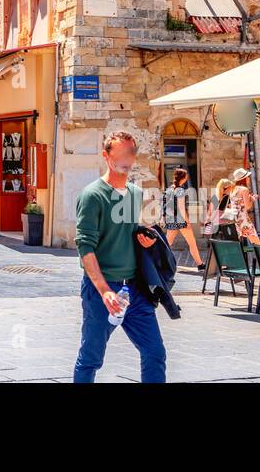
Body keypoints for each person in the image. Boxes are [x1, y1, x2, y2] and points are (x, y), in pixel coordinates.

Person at [73, 130, 165, 384]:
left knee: (155, 353)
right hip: (103, 291)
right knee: (91, 359)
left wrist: (143, 238)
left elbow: (126, 230)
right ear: (106, 155)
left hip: (134, 290)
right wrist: (104, 290)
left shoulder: (135, 193)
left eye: (132, 152)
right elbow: (85, 247)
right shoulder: (93, 195)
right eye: (122, 152)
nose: (128, 157)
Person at [162, 168, 204, 270]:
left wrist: (163, 218)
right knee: (192, 242)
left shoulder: (168, 189)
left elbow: (164, 206)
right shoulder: (180, 190)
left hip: (170, 218)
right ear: (183, 178)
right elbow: (181, 208)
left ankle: (158, 261)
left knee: (167, 243)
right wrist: (187, 221)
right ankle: (200, 264)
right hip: (180, 220)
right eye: (186, 176)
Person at [229, 167, 260, 245]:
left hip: (235, 219)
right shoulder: (244, 189)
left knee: (239, 245)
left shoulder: (232, 189)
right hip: (244, 219)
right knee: (257, 243)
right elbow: (247, 206)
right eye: (247, 177)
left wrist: (249, 198)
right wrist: (252, 199)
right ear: (243, 178)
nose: (248, 179)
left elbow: (238, 203)